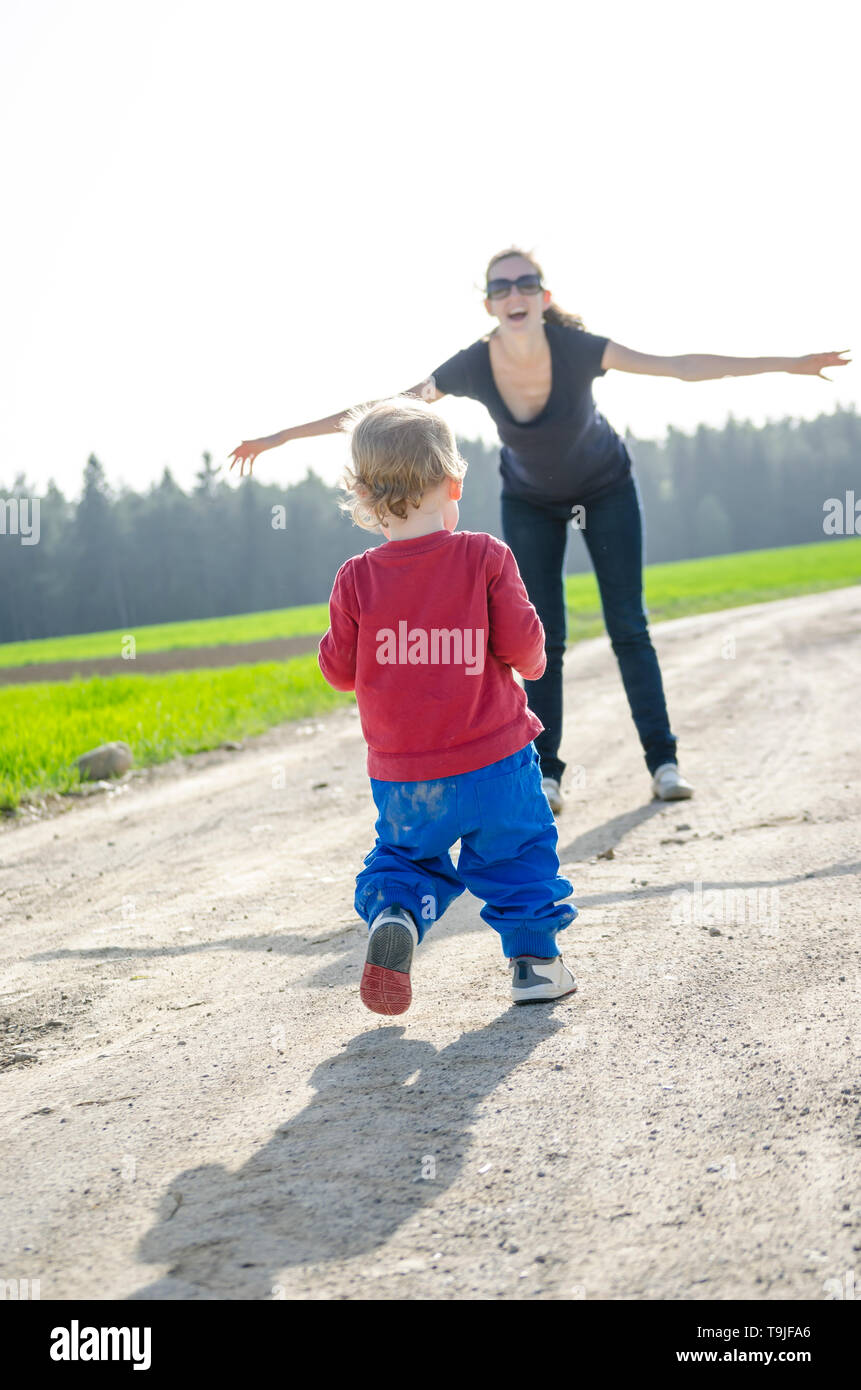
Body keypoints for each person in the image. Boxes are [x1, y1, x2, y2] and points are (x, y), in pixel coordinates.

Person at [229, 248, 849, 814]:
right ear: (491, 305)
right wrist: (281, 436)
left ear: (543, 297)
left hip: (606, 490)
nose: (515, 292)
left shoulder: (577, 348)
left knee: (628, 625)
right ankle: (546, 774)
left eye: (527, 282)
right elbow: (386, 411)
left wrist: (790, 365)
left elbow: (680, 367)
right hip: (530, 501)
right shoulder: (472, 364)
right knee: (537, 638)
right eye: (502, 286)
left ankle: (663, 763)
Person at [316, 396, 578, 1014]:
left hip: (407, 777)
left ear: (364, 498)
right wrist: (533, 664)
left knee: (407, 857)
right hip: (495, 762)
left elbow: (338, 672)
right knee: (515, 854)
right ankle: (536, 964)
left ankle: (398, 915)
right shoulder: (485, 556)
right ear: (453, 480)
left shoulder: (355, 578)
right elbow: (525, 649)